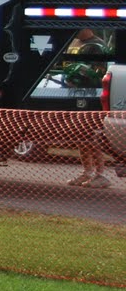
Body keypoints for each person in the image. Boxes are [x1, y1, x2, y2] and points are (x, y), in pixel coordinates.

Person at [64, 29, 111, 188]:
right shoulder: (76, 43)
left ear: (86, 27)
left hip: (91, 95)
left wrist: (81, 75)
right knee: (81, 137)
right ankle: (87, 172)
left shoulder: (96, 45)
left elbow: (97, 73)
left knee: (92, 137)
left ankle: (100, 175)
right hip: (76, 92)